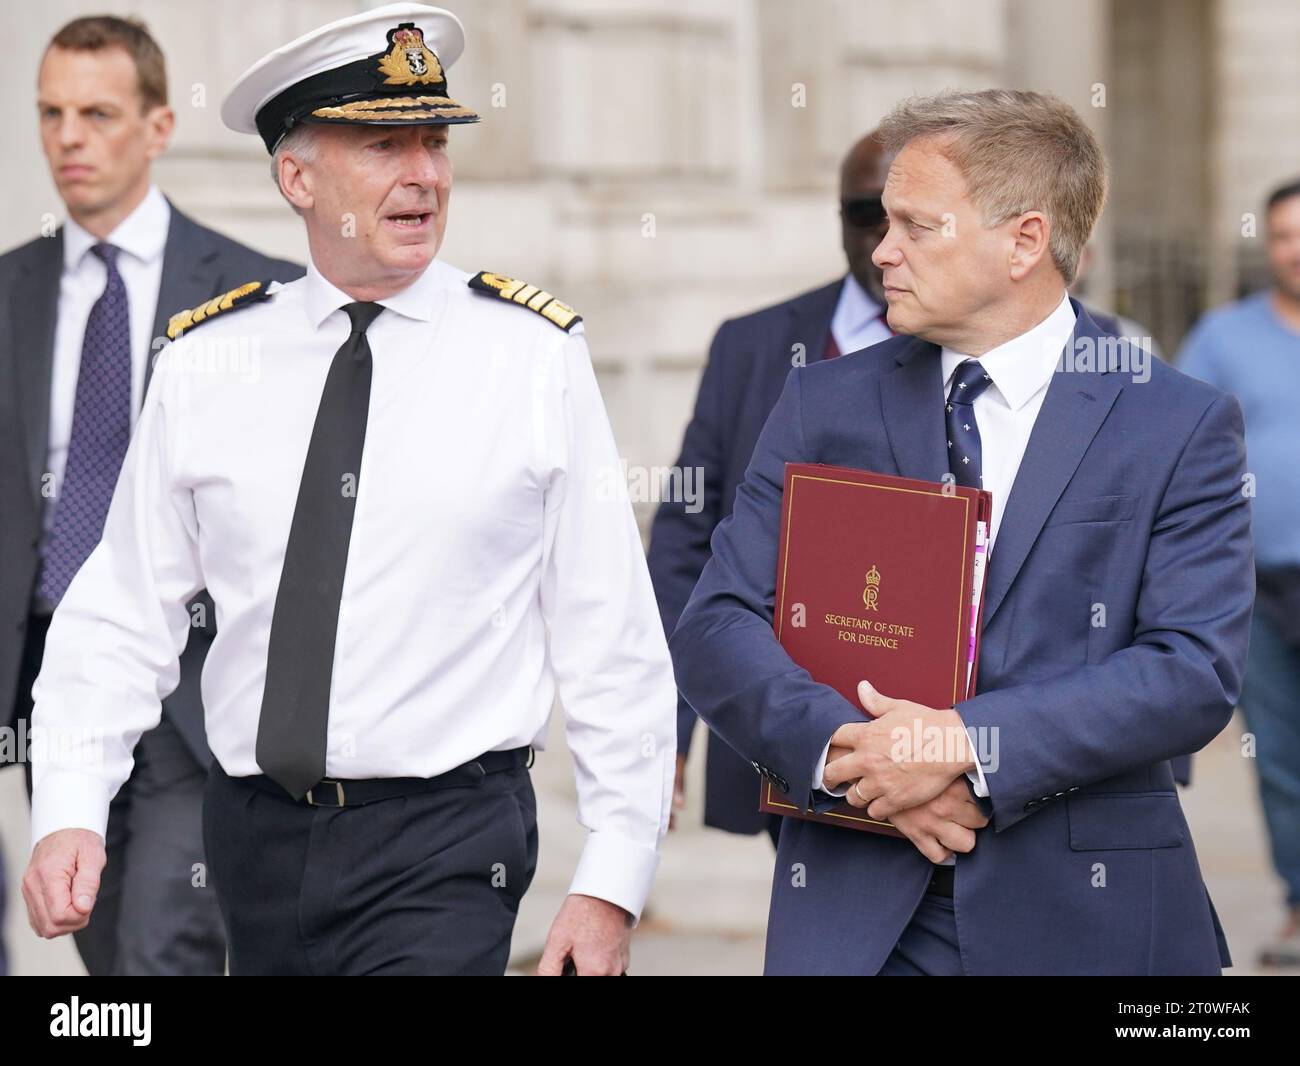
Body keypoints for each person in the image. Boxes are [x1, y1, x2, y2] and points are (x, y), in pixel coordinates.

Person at [22, 2, 674, 977]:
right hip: (251, 837)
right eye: (382, 145)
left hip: (448, 841)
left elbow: (607, 630)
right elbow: (123, 608)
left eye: (433, 142)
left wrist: (612, 875)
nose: (422, 173)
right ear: (297, 175)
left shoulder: (529, 357)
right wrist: (71, 805)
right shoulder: (210, 360)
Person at [670, 88, 1250, 975]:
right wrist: (852, 758)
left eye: (917, 226)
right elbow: (717, 625)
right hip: (857, 914)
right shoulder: (821, 401)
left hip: (1086, 915)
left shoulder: (1176, 423)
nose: (883, 250)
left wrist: (963, 744)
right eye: (882, 222)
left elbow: (1192, 669)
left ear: (1024, 240)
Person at [0, 14, 301, 976]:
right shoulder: (8, 292)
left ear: (160, 125)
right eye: (50, 114)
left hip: (193, 675)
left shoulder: (258, 295)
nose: (69, 138)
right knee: (103, 936)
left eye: (96, 112)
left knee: (161, 945)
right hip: (51, 680)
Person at [648, 132, 893, 845]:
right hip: (778, 729)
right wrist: (667, 723)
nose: (882, 235)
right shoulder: (750, 346)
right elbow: (685, 542)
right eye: (863, 210)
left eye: (904, 215)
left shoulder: (975, 346)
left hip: (930, 734)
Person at [1177, 177, 1300, 967]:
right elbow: (1182, 441)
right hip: (1258, 587)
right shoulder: (1224, 335)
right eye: (1285, 236)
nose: (1297, 250)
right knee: (1281, 753)